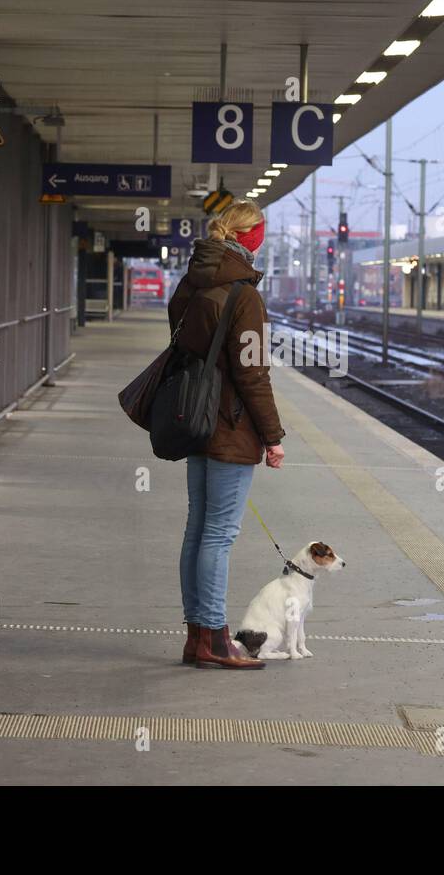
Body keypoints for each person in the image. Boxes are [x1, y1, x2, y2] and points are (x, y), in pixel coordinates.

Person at [168, 200, 285, 671]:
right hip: (231, 428)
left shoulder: (190, 284)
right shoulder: (244, 297)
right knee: (218, 534)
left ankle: (197, 635)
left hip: (192, 420)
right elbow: (253, 373)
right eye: (261, 232)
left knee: (198, 530)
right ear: (250, 236)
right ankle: (216, 638)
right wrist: (272, 437)